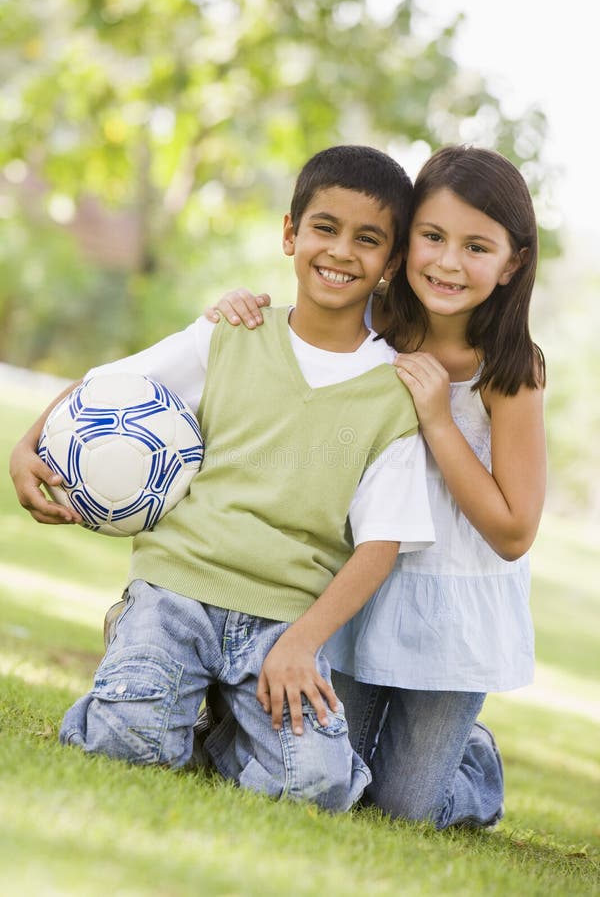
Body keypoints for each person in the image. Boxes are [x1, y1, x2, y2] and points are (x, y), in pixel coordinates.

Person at [9, 145, 436, 813]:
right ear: (291, 233)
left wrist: (302, 643)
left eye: (369, 239)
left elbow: (380, 546)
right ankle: (145, 670)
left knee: (316, 787)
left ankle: (213, 727)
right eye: (325, 228)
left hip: (281, 622)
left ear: (390, 264)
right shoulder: (230, 333)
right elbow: (113, 387)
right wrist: (27, 444)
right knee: (129, 746)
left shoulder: (393, 393)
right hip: (175, 590)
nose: (342, 252)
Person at [204, 144, 547, 829]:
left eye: (477, 247)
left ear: (512, 263)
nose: (448, 262)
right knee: (341, 778)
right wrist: (239, 307)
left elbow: (513, 532)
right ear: (403, 242)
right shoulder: (375, 327)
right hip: (359, 587)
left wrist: (440, 421)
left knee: (406, 808)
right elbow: (293, 340)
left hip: (454, 608)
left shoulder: (511, 370)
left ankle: (469, 762)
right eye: (432, 237)